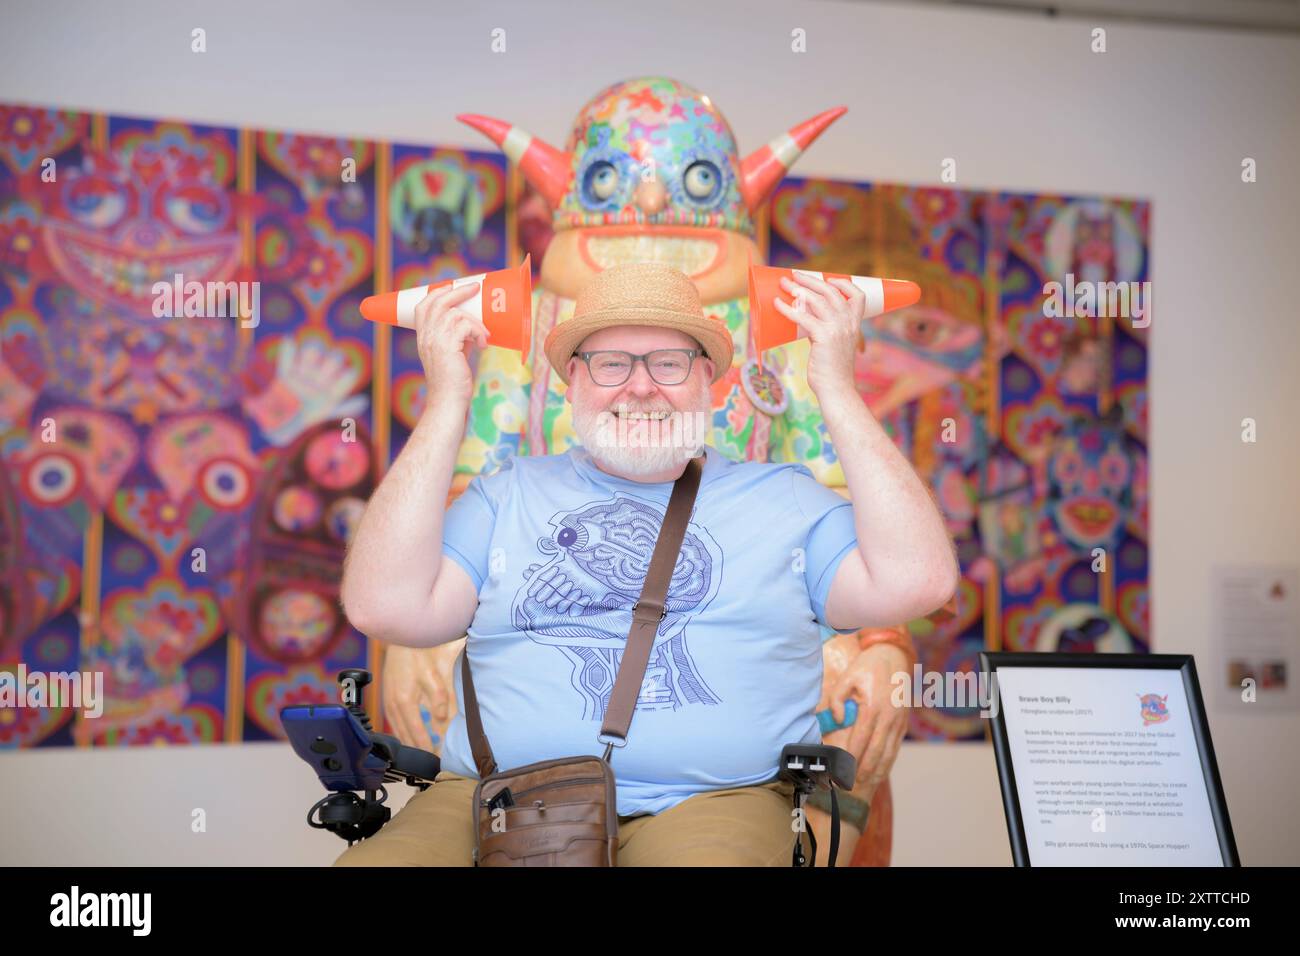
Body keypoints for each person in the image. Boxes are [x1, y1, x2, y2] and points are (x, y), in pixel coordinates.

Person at [334, 261, 957, 866]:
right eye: (610, 364)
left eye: (669, 362)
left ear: (707, 378)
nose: (640, 386)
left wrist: (838, 391)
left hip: (711, 802)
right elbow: (382, 607)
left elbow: (918, 581)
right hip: (494, 800)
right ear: (572, 381)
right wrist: (447, 399)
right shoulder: (505, 494)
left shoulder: (784, 499)